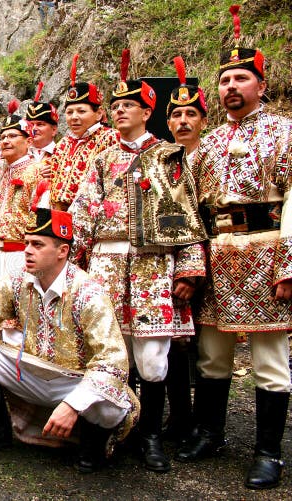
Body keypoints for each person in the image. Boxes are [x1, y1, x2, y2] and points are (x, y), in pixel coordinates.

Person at [70, 49, 208, 472]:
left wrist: (188, 267)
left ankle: (150, 436)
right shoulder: (102, 159)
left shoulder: (170, 156)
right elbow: (82, 212)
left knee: (152, 357)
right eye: (113, 106)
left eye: (127, 105)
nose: (118, 112)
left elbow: (187, 214)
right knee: (110, 350)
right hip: (108, 261)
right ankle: (111, 430)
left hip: (152, 265)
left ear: (147, 111)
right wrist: (73, 264)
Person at [178, 6, 292, 490]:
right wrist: (190, 264)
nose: (231, 87)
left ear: (261, 85)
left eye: (241, 78)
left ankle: (268, 452)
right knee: (211, 353)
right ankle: (211, 433)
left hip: (267, 250)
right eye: (225, 79)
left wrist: (290, 262)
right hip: (217, 255)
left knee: (269, 357)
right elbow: (189, 213)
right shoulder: (206, 145)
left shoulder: (285, 132)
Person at [0, 204, 137, 472]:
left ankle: (92, 446)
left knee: (112, 404)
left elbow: (112, 362)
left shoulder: (88, 293)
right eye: (27, 243)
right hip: (32, 373)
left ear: (62, 251)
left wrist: (74, 405)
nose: (27, 250)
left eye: (38, 245)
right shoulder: (18, 280)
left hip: (73, 381)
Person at [162, 55, 209, 442]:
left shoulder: (211, 157)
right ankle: (178, 419)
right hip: (175, 262)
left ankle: (203, 424)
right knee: (175, 341)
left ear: (202, 120)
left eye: (190, 113)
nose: (182, 121)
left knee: (208, 347)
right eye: (176, 114)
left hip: (218, 256)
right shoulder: (162, 162)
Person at [49, 54, 118, 211]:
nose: (74, 117)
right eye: (69, 112)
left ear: (99, 113)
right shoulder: (62, 144)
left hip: (90, 216)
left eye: (81, 111)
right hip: (59, 218)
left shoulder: (111, 138)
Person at [0, 100, 39, 287]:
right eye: (3, 137)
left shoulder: (37, 171)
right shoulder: (2, 171)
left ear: (29, 141)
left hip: (19, 252)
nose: (6, 141)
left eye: (12, 136)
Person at [24, 82, 58, 165]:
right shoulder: (20, 153)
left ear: (54, 130)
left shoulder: (62, 153)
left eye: (40, 124)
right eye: (31, 125)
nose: (34, 129)